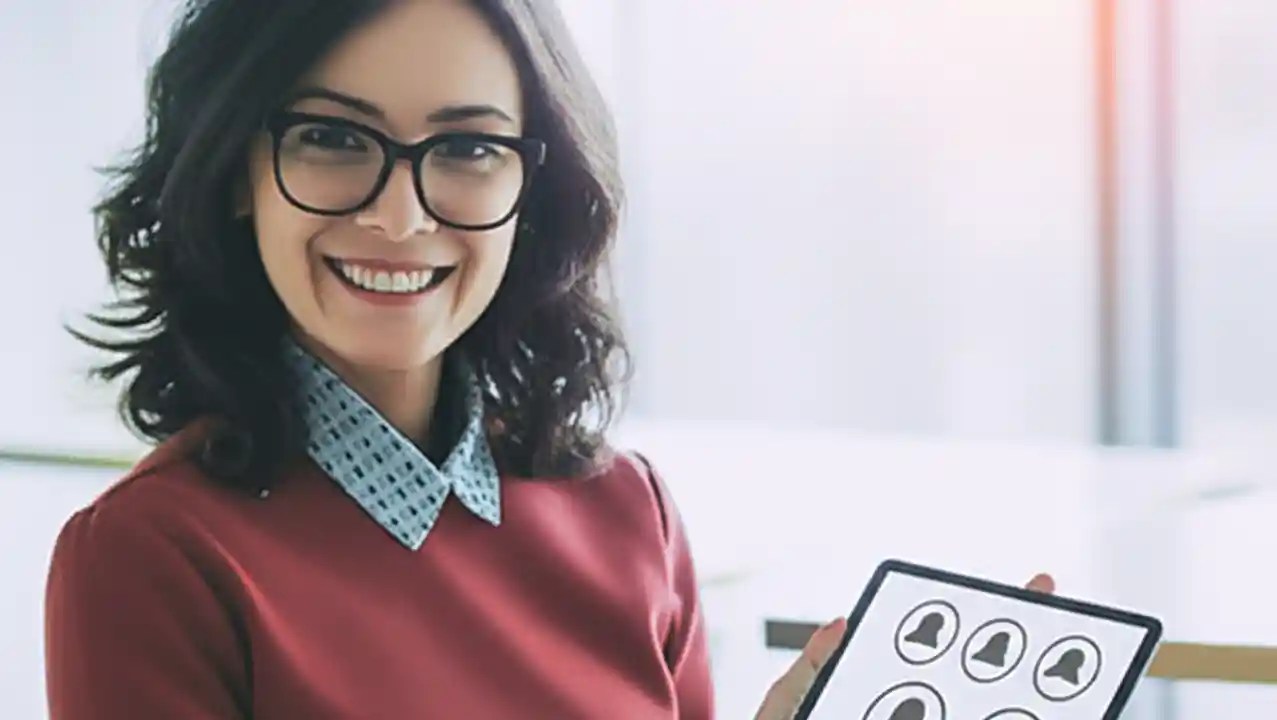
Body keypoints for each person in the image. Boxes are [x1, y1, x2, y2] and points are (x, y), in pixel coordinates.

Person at [43, 1, 1053, 718]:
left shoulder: (629, 514)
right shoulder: (151, 561)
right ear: (231, 171)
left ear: (533, 191)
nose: (400, 216)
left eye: (468, 150)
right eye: (331, 139)